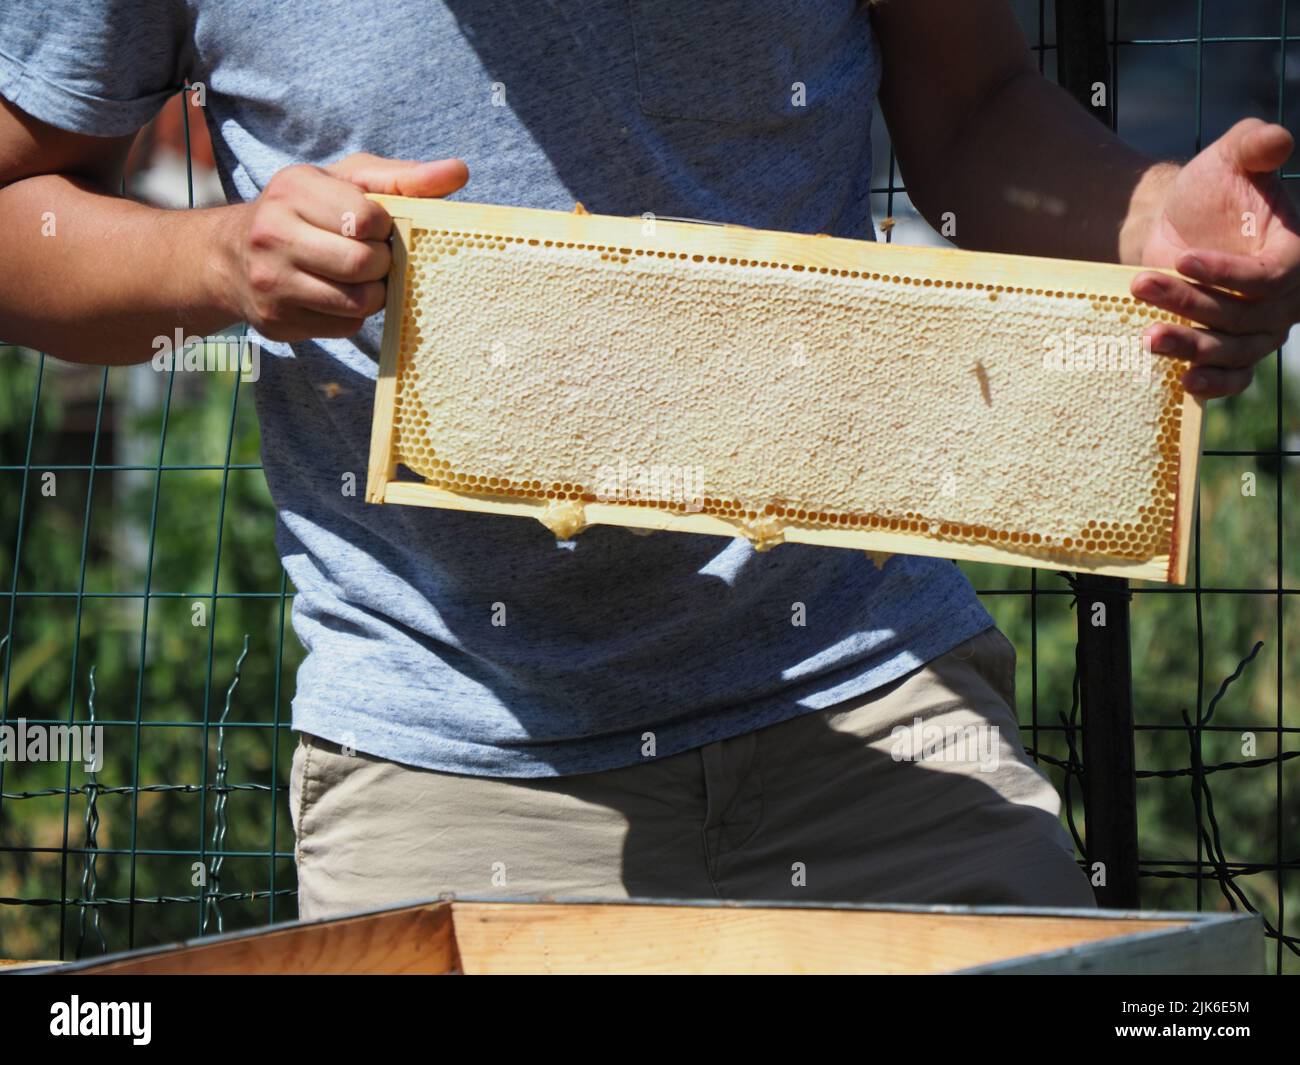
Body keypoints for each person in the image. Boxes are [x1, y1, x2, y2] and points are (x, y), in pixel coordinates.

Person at [2, 1, 1296, 918]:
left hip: (870, 706)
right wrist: (221, 258)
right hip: (451, 766)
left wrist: (1148, 217)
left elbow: (976, 103)